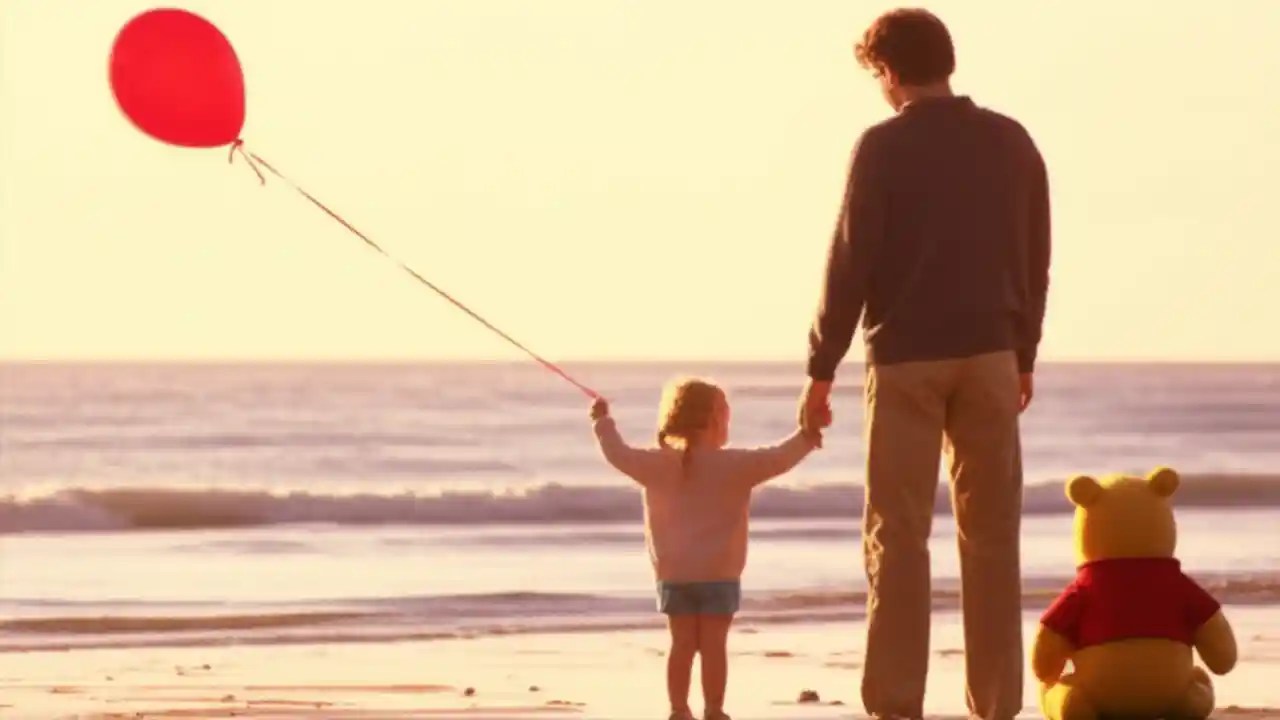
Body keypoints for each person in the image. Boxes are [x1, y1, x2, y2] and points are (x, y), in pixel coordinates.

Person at [796, 8, 1052, 720]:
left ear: (887, 71)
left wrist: (822, 368)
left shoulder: (881, 147)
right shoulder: (1011, 141)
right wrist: (1024, 352)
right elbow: (1037, 258)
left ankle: (897, 702)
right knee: (992, 534)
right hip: (992, 355)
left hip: (906, 359)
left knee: (899, 535)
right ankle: (996, 703)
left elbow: (850, 261)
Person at [590, 378, 819, 720]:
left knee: (681, 645)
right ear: (714, 419)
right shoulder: (735, 465)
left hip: (675, 574)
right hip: (719, 574)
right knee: (713, 646)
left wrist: (602, 422)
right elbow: (780, 457)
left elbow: (617, 453)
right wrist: (808, 434)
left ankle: (679, 709)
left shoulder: (658, 464)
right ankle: (713, 709)